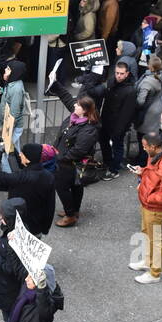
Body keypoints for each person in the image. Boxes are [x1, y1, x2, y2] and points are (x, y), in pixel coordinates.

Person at [47, 81, 100, 228]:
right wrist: (56, 83)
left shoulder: (89, 128)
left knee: (62, 187)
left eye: (77, 105)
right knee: (75, 186)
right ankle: (74, 210)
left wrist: (61, 157)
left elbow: (79, 150)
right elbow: (67, 98)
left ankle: (70, 215)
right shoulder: (77, 117)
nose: (74, 106)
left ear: (84, 110)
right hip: (64, 160)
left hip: (68, 163)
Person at [129, 132, 162, 284]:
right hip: (148, 204)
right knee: (147, 234)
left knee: (155, 240)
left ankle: (154, 273)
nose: (144, 149)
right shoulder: (156, 155)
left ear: (153, 147)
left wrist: (149, 198)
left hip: (154, 207)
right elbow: (153, 174)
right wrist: (142, 171)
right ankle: (147, 262)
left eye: (145, 147)